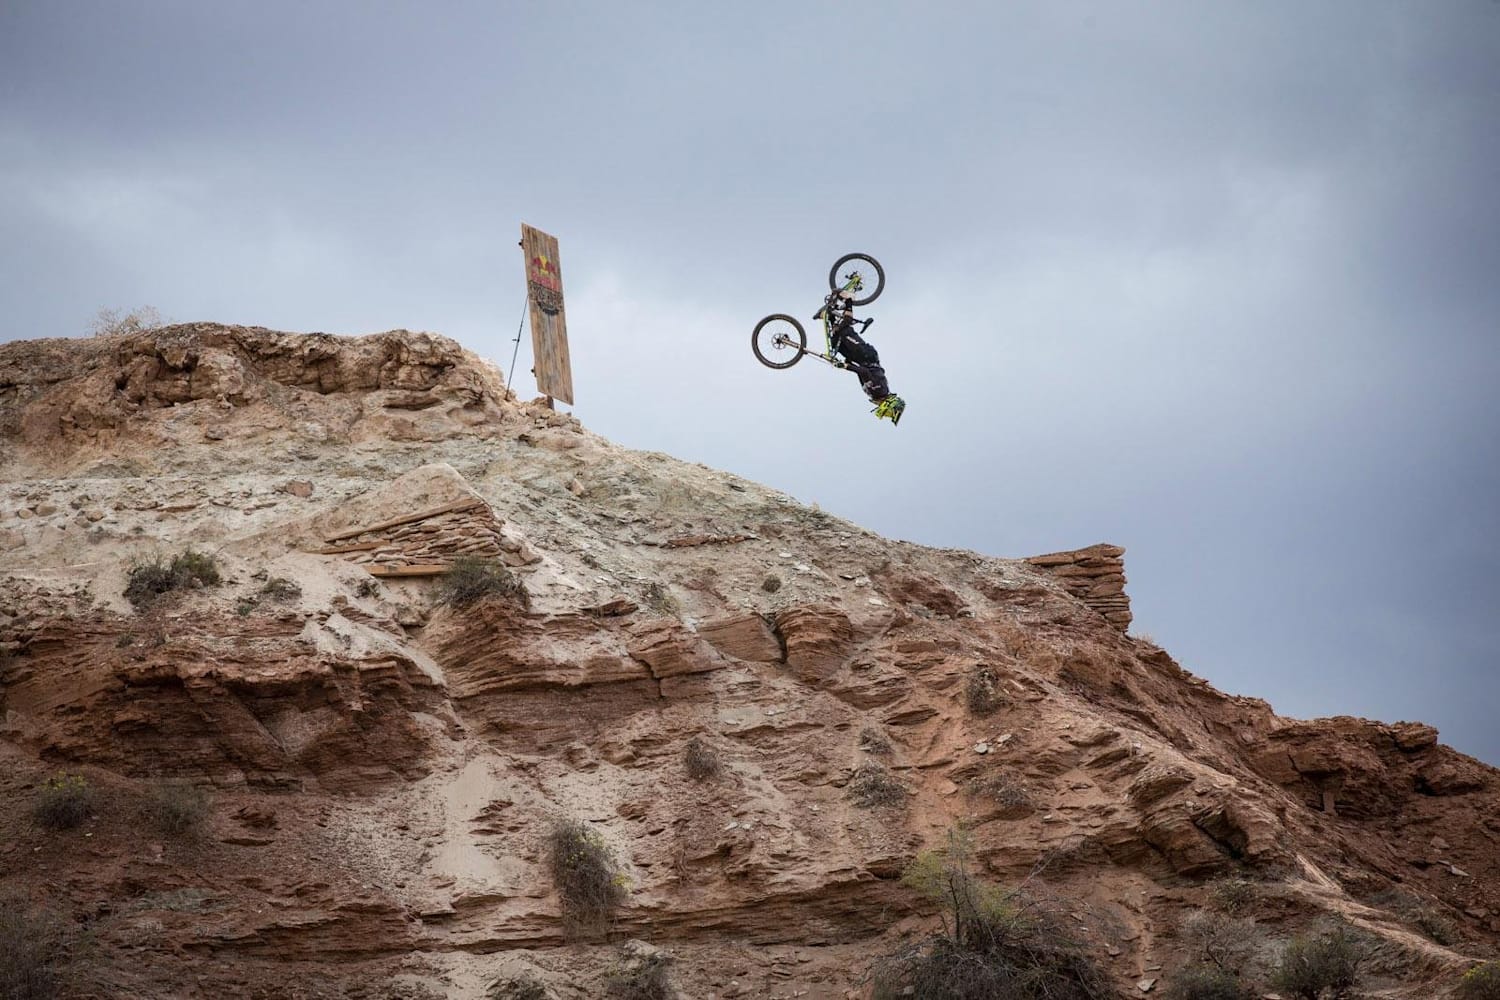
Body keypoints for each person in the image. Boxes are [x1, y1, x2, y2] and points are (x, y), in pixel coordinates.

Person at [823, 290, 905, 424]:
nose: (883, 412)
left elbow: (861, 375)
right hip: (865, 355)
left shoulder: (876, 394)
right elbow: (864, 372)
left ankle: (831, 315)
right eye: (887, 412)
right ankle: (849, 300)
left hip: (860, 359)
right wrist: (845, 366)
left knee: (835, 344)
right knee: (845, 331)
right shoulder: (880, 391)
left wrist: (848, 363)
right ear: (889, 405)